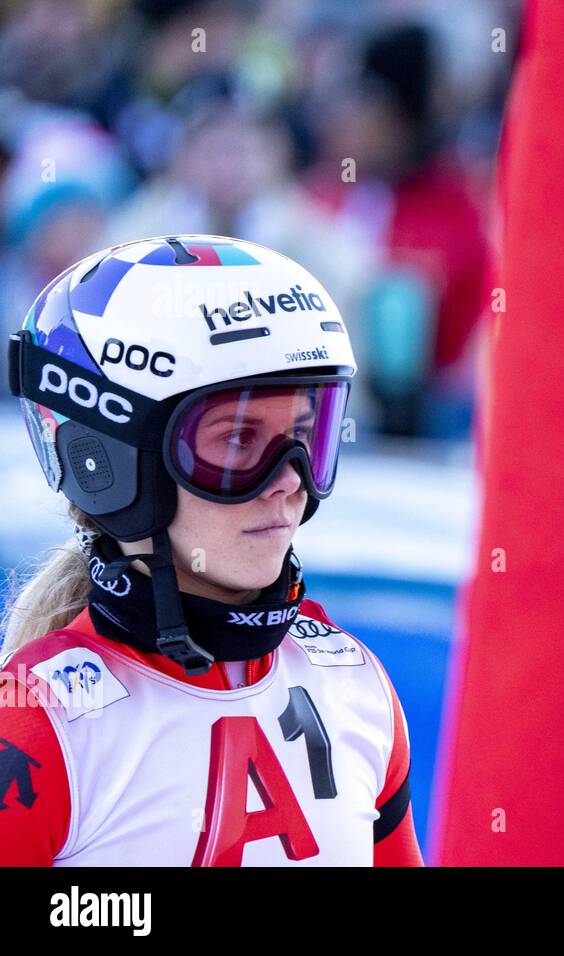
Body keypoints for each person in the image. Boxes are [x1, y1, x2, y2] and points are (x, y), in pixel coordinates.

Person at [0, 234, 422, 866]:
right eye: (236, 441)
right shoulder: (37, 728)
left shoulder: (354, 685)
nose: (288, 481)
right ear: (108, 463)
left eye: (305, 435)